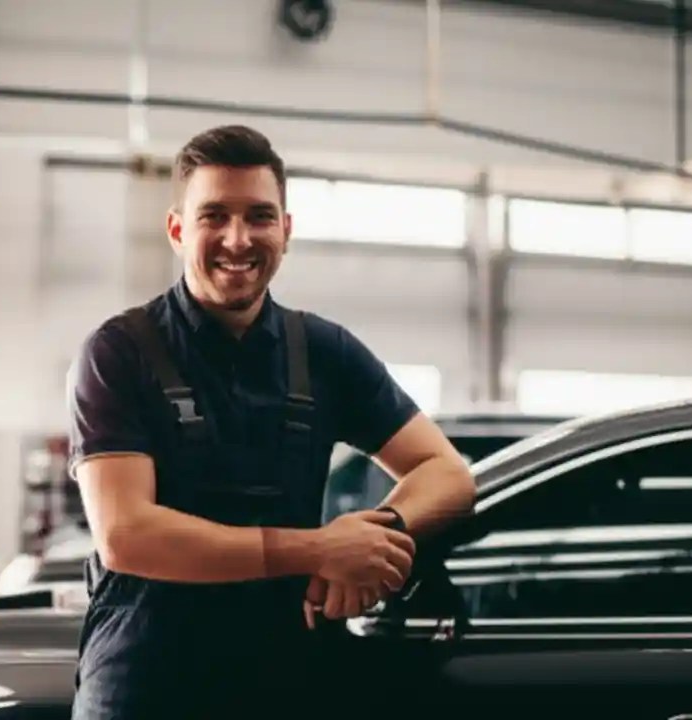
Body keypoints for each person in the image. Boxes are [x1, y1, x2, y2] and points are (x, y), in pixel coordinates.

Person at [65, 125, 477, 719]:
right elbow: (127, 536)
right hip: (146, 680)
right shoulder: (119, 353)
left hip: (283, 676)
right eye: (214, 216)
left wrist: (376, 535)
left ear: (285, 230)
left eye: (259, 217)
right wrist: (318, 550)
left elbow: (446, 472)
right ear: (178, 231)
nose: (238, 239)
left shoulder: (325, 353)